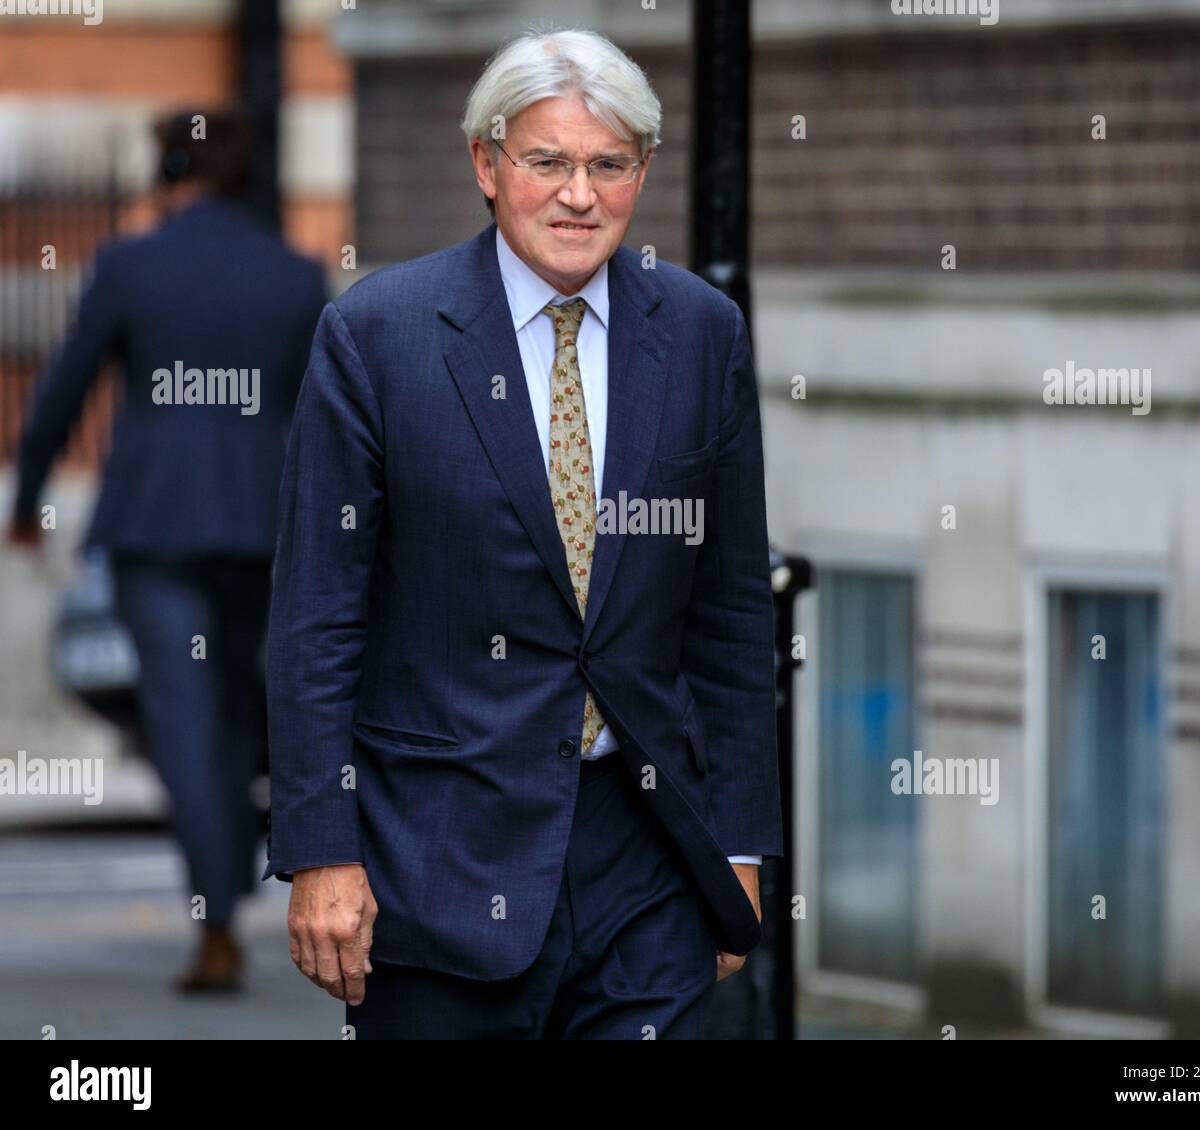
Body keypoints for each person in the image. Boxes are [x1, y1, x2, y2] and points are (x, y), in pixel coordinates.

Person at [265, 27, 782, 1038]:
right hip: (438, 858)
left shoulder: (700, 330)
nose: (578, 194)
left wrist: (740, 848)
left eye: (607, 164)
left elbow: (729, 609)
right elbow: (317, 617)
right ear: (486, 164)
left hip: (646, 856)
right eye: (547, 161)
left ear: (642, 172)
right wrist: (321, 850)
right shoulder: (379, 336)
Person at [8, 107, 328, 993]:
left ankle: (217, 916)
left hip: (157, 528)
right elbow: (328, 417)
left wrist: (29, 496)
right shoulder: (294, 277)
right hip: (266, 530)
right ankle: (234, 863)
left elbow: (65, 385)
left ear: (166, 171)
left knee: (185, 719)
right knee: (241, 710)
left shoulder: (131, 266)